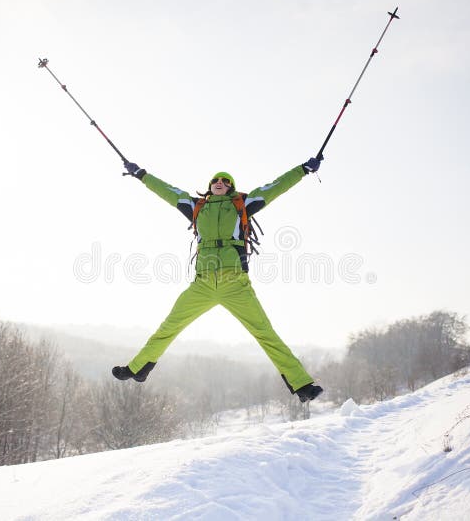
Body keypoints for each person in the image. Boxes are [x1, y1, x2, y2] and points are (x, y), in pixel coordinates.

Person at [111, 157, 324, 402]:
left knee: (265, 333)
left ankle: (302, 384)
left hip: (235, 284)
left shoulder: (243, 204)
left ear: (231, 187)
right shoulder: (196, 206)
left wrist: (303, 169)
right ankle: (138, 368)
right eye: (216, 180)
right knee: (169, 327)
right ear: (210, 186)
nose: (220, 182)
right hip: (202, 285)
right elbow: (166, 190)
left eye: (226, 181)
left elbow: (276, 187)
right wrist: (141, 174)